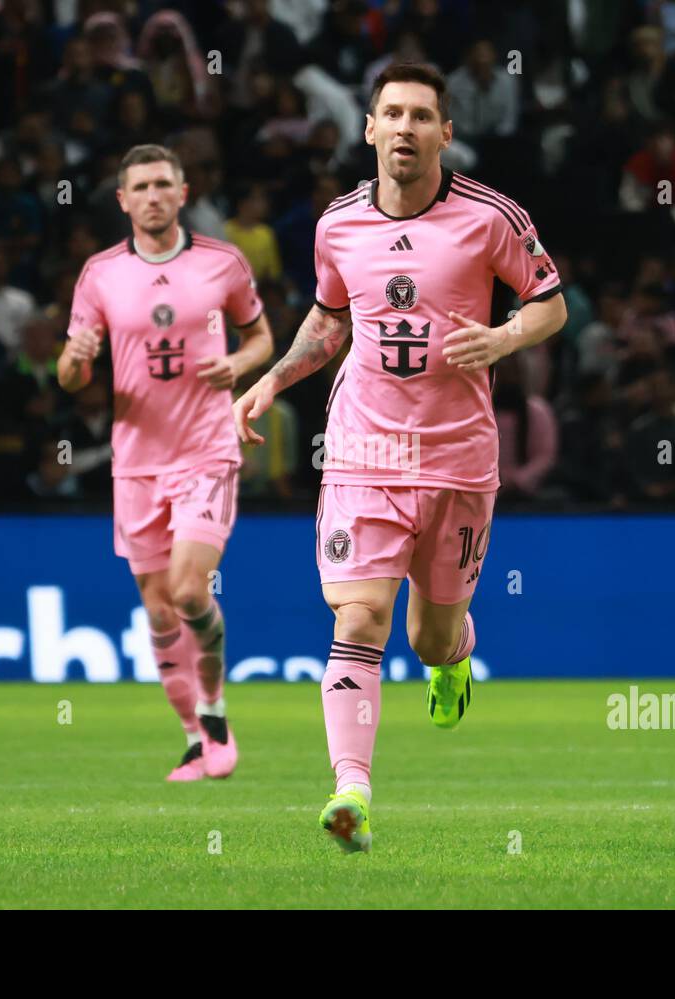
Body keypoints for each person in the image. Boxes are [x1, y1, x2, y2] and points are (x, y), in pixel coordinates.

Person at [232, 63, 567, 853]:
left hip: (458, 457)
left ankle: (457, 659)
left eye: (423, 115)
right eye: (394, 113)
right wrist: (271, 381)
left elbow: (547, 301)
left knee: (428, 637)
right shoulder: (338, 223)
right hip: (362, 448)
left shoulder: (491, 217)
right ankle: (351, 791)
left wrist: (505, 335)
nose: (407, 127)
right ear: (370, 129)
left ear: (446, 133)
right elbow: (328, 321)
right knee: (360, 614)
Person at [59, 144, 274, 783]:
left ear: (183, 193)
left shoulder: (222, 263)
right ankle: (191, 738)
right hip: (136, 464)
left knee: (187, 591)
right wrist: (78, 357)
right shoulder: (99, 275)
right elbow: (69, 376)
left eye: (163, 184)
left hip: (206, 451)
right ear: (122, 201)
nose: (153, 196)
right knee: (157, 614)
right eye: (140, 187)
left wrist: (237, 365)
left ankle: (214, 710)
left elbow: (260, 336)